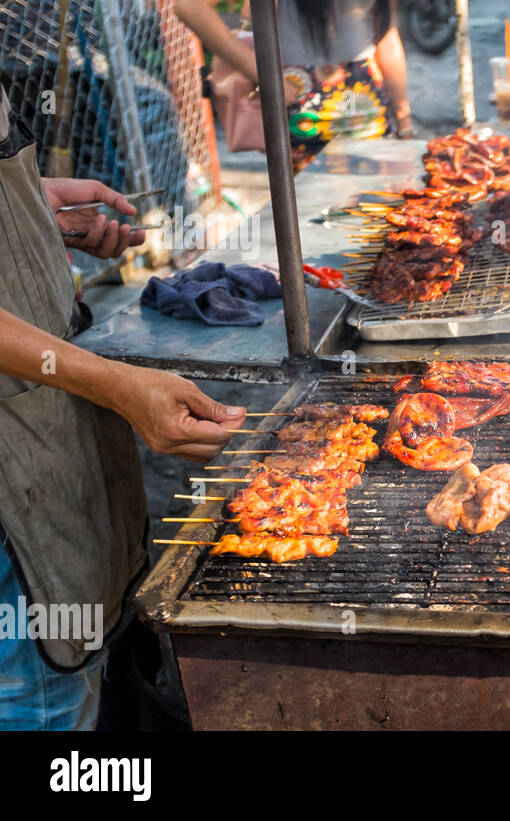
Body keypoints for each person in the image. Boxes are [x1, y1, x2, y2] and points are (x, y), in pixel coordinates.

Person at [0, 86, 245, 730]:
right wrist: (114, 383)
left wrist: (28, 206)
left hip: (42, 436)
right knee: (37, 699)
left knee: (89, 663)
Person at [177, 0, 413, 171]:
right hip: (302, 103)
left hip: (360, 100)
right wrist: (263, 74)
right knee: (313, 212)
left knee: (372, 200)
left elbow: (386, 36)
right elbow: (188, 6)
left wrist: (404, 122)